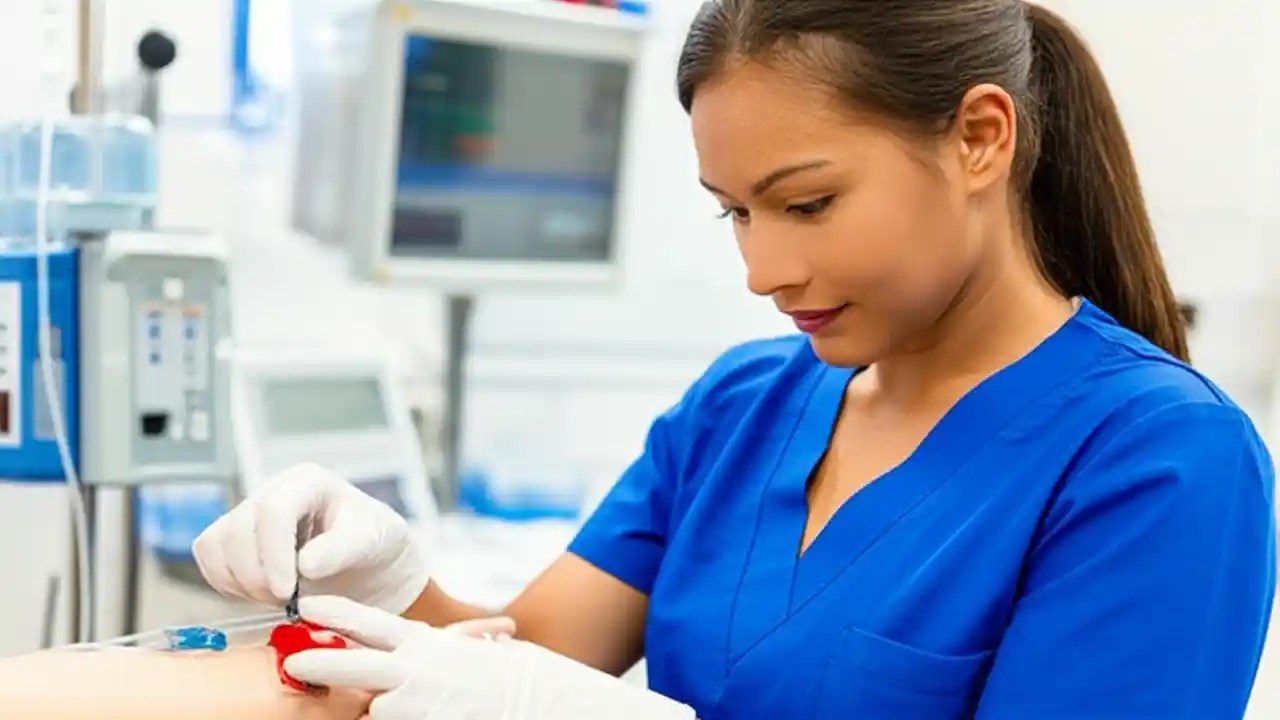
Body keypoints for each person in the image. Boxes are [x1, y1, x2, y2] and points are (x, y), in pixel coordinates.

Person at [194, 1, 1277, 718]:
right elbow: (520, 668)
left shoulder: (1156, 461)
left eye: (807, 203)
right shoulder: (741, 408)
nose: (765, 269)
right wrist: (398, 588)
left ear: (978, 138)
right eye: (736, 216)